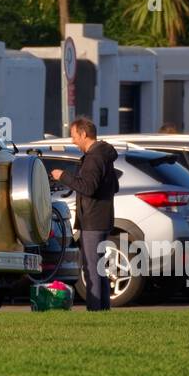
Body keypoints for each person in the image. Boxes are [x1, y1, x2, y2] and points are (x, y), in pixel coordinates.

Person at [64, 116, 120, 311]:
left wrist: (62, 176)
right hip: (102, 218)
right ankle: (102, 309)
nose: (73, 141)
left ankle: (95, 308)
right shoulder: (104, 155)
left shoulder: (94, 158)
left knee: (92, 268)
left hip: (93, 220)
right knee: (98, 268)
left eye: (74, 136)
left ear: (84, 134)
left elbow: (87, 187)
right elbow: (115, 185)